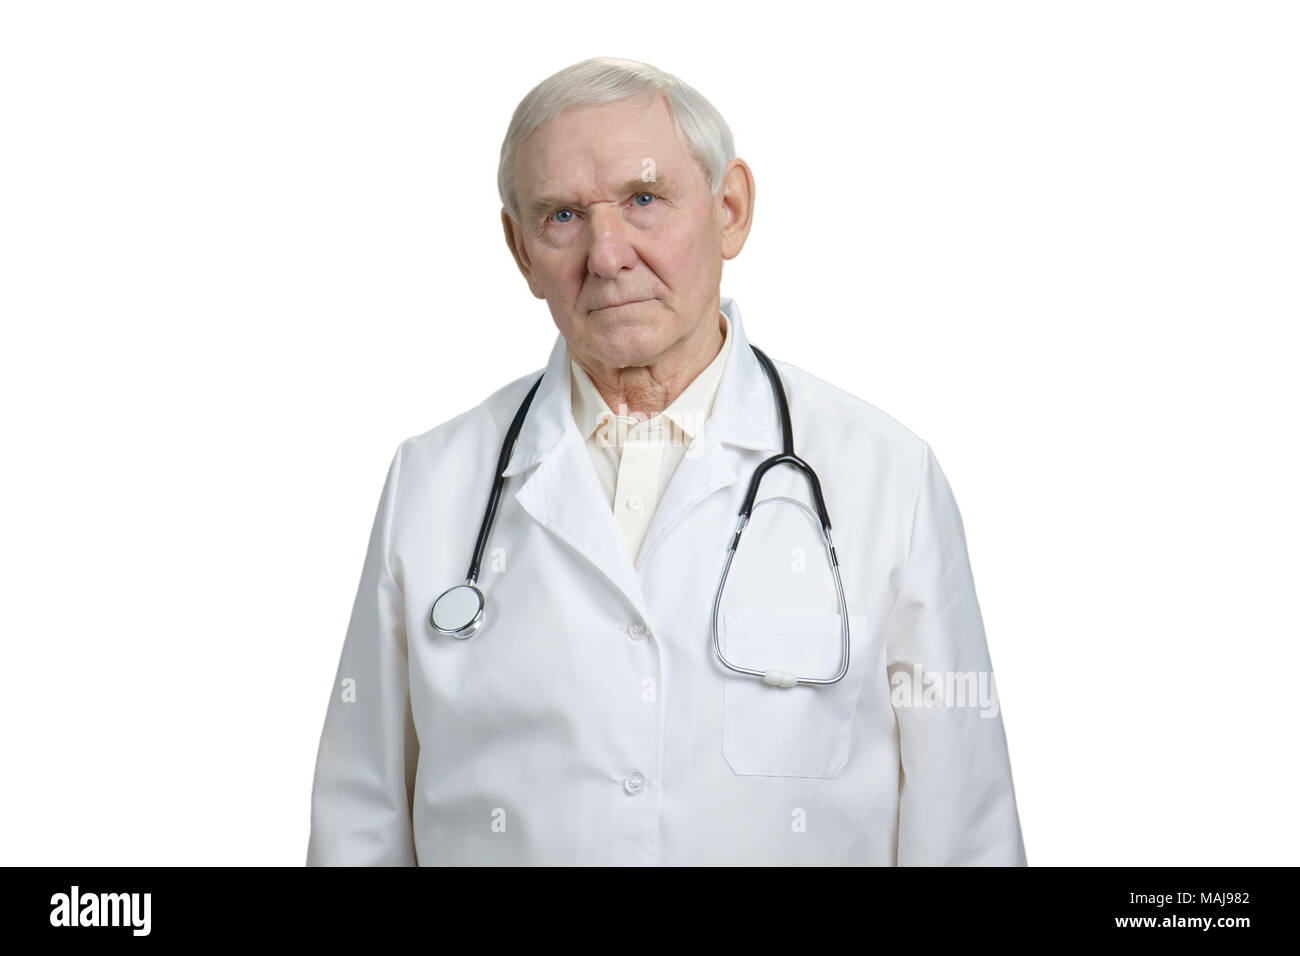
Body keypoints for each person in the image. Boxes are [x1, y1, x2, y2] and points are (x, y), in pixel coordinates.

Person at [306, 56, 1027, 866]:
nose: (608, 255)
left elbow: (963, 828)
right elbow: (359, 821)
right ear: (519, 249)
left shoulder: (884, 476)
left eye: (644, 200)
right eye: (562, 217)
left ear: (730, 210)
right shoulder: (433, 483)